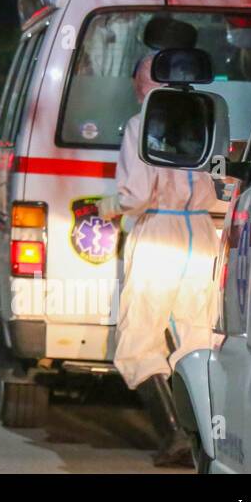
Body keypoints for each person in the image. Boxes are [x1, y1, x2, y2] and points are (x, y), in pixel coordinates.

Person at [99, 54, 219, 467]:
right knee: (199, 337)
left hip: (158, 233)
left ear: (142, 79)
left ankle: (173, 434)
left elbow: (135, 196)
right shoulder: (208, 116)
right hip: (202, 234)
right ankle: (207, 439)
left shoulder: (141, 125)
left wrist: (106, 207)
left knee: (138, 340)